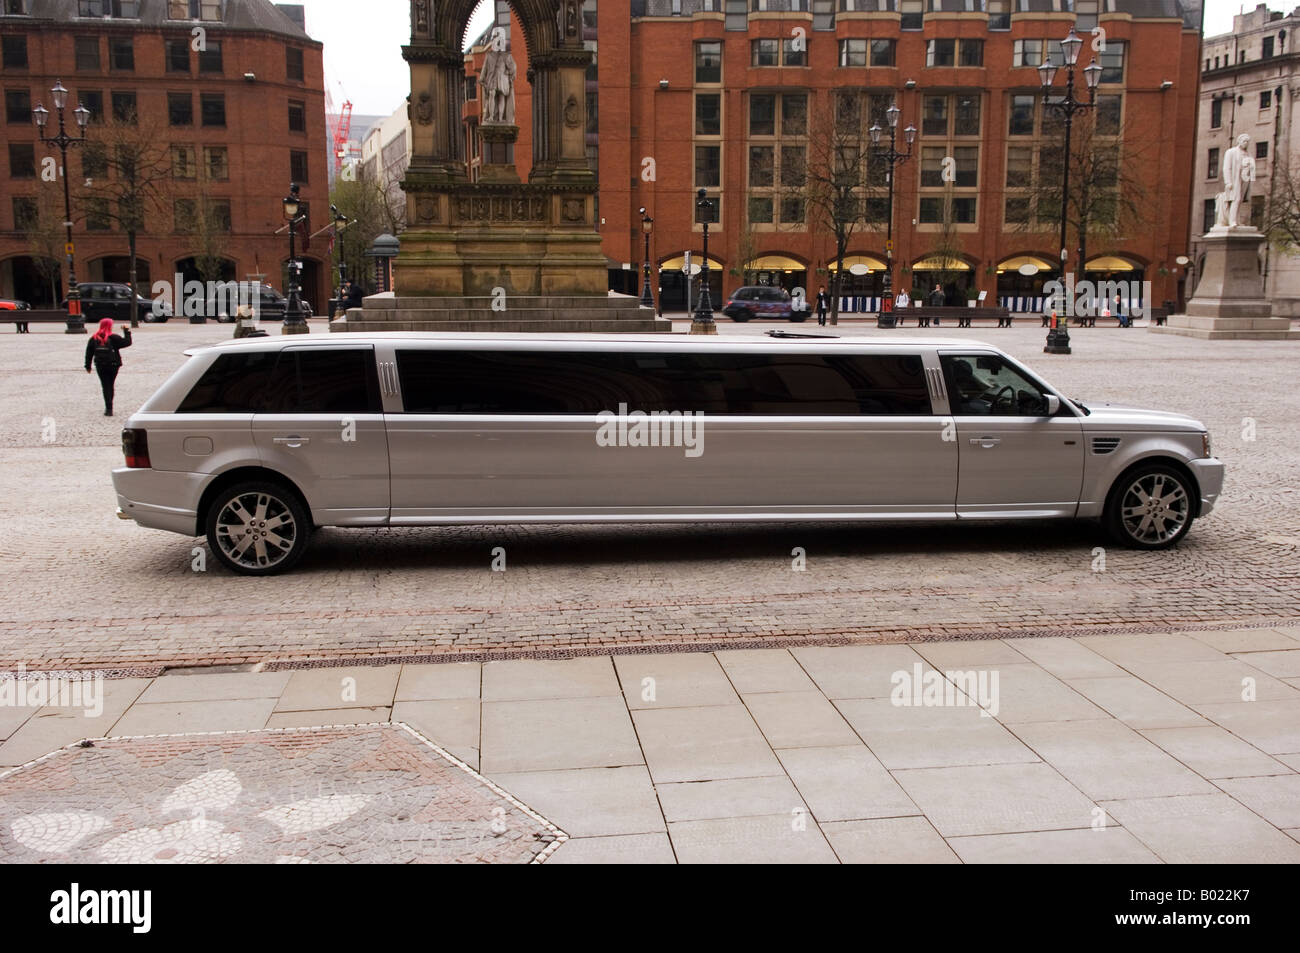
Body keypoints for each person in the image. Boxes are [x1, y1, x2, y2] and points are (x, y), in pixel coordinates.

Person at [83, 317, 131, 416]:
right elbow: (127, 342)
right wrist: (126, 330)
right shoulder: (114, 338)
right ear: (110, 326)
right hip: (113, 365)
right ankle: (110, 407)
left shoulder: (94, 338)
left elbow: (89, 353)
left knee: (105, 386)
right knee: (111, 385)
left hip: (101, 365)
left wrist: (88, 366)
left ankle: (108, 408)